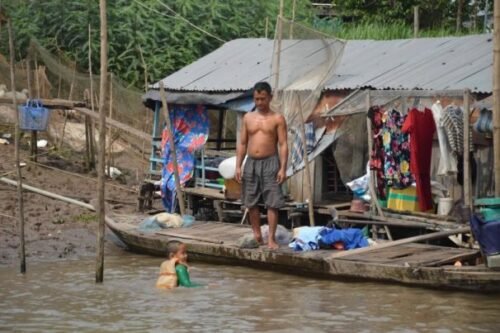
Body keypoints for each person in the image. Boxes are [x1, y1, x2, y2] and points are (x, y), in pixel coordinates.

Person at [235, 81, 288, 250]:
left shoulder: (277, 118)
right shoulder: (248, 117)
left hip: (270, 162)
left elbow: (283, 144)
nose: (259, 102)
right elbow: (242, 143)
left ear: (270, 98)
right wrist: (238, 165)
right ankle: (257, 234)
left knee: (272, 202)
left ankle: (271, 239)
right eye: (257, 99)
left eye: (263, 99)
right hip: (251, 162)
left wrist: (283, 167)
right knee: (250, 201)